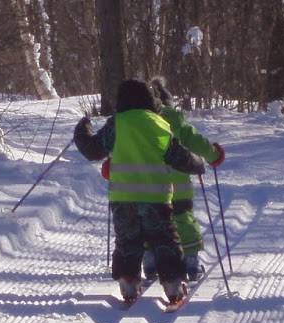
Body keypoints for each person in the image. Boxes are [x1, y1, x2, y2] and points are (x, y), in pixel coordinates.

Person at [74, 78, 207, 305]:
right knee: (166, 241)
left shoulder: (117, 124)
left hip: (123, 200)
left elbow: (93, 150)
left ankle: (128, 283)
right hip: (156, 199)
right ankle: (173, 285)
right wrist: (199, 164)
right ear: (149, 99)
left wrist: (82, 130)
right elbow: (178, 156)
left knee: (128, 243)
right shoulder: (158, 124)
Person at [149, 77, 225, 281]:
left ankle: (149, 261)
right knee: (183, 220)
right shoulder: (178, 123)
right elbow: (197, 143)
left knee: (150, 222)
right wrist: (214, 155)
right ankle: (191, 262)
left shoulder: (143, 124)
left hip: (151, 188)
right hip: (179, 186)